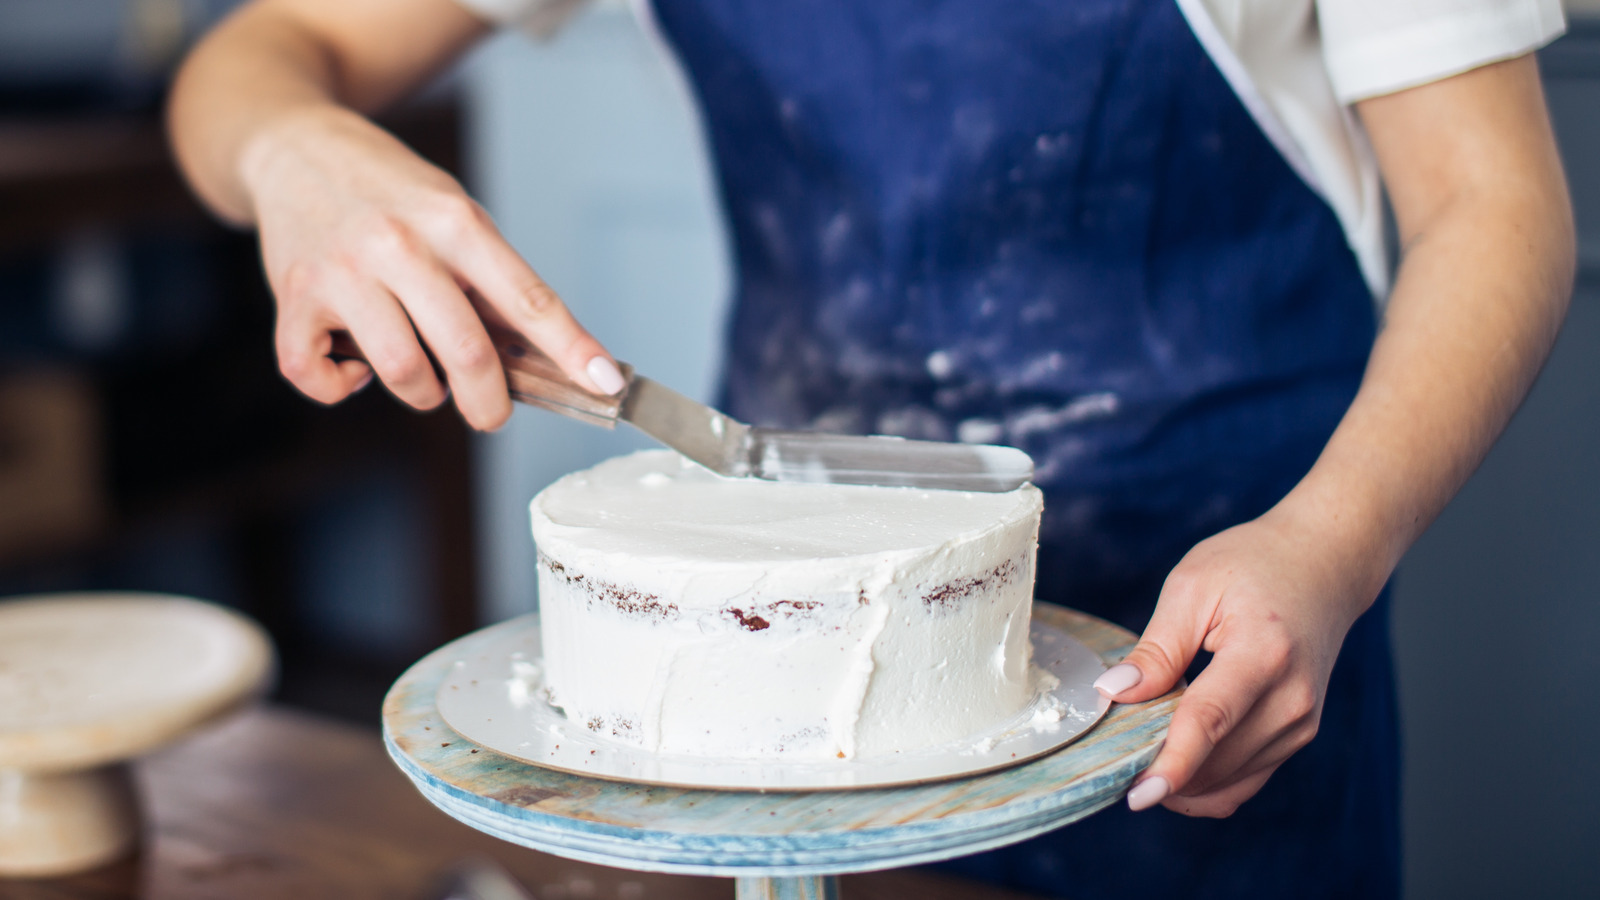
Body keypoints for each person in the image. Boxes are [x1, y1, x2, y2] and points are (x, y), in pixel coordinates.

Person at [167, 0, 1575, 895]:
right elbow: (255, 59)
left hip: (1213, 644)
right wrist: (292, 149)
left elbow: (1495, 204)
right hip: (765, 682)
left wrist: (1329, 543)